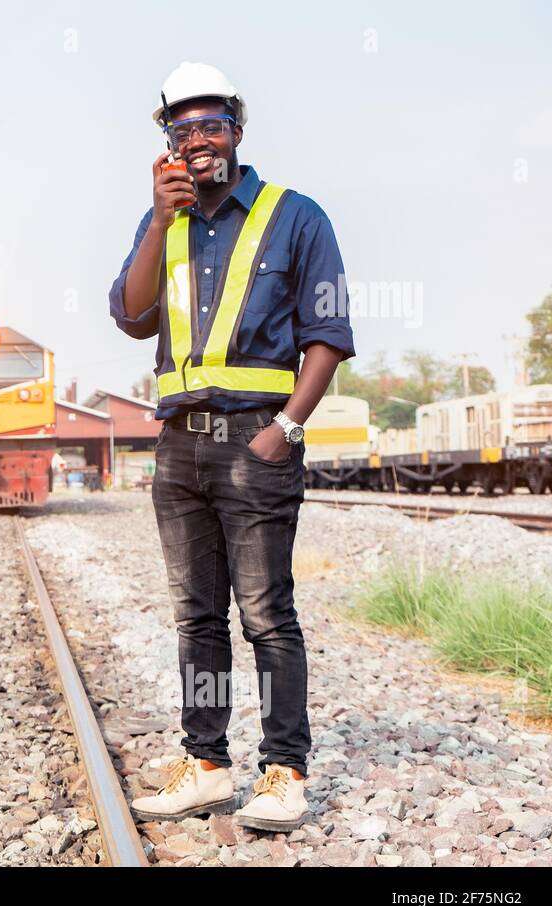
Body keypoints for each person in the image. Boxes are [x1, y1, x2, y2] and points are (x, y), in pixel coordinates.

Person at [108, 62, 355, 831]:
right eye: (184, 129)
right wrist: (155, 219)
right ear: (169, 143)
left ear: (238, 131)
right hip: (179, 449)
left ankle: (284, 770)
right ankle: (208, 765)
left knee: (265, 614)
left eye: (212, 124)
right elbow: (129, 313)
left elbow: (329, 336)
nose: (200, 139)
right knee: (196, 619)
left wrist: (288, 429)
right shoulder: (166, 225)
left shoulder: (296, 216)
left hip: (257, 440)